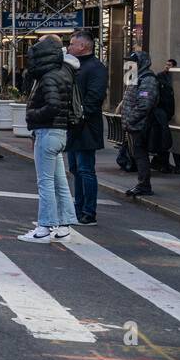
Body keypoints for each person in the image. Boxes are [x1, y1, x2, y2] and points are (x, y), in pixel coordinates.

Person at [18, 34, 77, 242]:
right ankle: (64, 225)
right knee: (59, 182)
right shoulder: (64, 72)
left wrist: (31, 115)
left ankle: (44, 227)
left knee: (45, 182)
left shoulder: (50, 76)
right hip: (59, 133)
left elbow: (52, 106)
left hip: (48, 131)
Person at [65, 27, 108, 225]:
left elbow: (95, 98)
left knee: (85, 169)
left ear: (83, 46)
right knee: (75, 168)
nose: (69, 46)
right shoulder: (73, 65)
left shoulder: (96, 68)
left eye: (72, 43)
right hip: (74, 126)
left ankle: (89, 212)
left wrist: (79, 116)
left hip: (87, 127)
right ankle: (78, 207)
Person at [121, 51, 158, 198]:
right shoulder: (138, 77)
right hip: (134, 124)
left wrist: (130, 119)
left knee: (140, 154)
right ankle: (142, 184)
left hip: (140, 125)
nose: (131, 65)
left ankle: (144, 185)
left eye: (133, 62)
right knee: (137, 154)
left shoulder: (147, 79)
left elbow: (145, 104)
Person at [149, 57, 175, 173]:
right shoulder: (160, 76)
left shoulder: (175, 78)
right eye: (166, 64)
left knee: (165, 137)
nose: (167, 66)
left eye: (169, 65)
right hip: (162, 111)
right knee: (163, 136)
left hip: (170, 112)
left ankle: (162, 162)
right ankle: (161, 162)